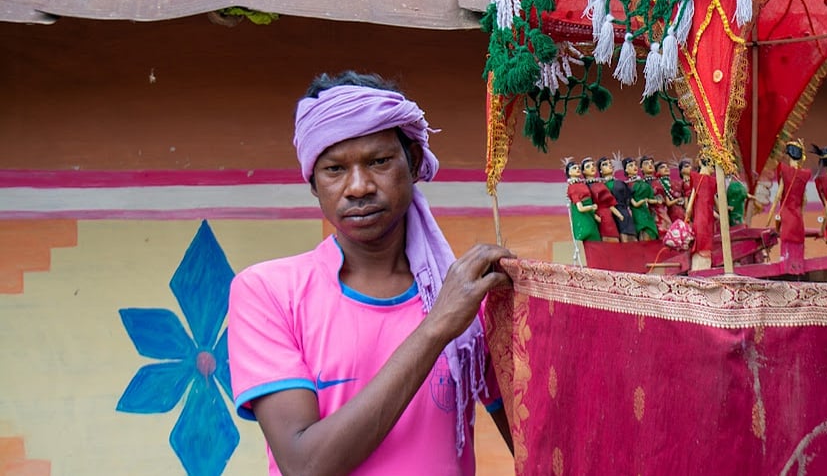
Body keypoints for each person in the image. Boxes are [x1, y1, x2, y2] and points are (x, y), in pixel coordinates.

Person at [228, 71, 514, 476]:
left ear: (413, 162)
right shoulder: (268, 293)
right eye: (334, 169)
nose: (358, 187)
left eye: (378, 161)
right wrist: (437, 327)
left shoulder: (468, 298)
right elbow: (305, 465)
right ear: (312, 181)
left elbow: (533, 442)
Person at [767, 139, 812, 252]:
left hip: (786, 214)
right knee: (798, 247)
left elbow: (778, 196)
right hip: (798, 217)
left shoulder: (785, 170)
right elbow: (804, 200)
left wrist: (769, 218)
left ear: (788, 155)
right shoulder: (805, 174)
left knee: (786, 247)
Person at [582, 157, 622, 242]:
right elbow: (587, 205)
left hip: (608, 216)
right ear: (583, 172)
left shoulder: (600, 184)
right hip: (599, 217)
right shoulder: (585, 187)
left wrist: (619, 214)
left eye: (593, 165)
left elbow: (609, 203)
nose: (592, 167)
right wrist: (596, 217)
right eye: (588, 166)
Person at [599, 156, 637, 242]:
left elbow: (629, 199)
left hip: (624, 213)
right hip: (610, 217)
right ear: (600, 170)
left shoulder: (620, 183)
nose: (609, 166)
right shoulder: (601, 186)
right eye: (605, 164)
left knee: (631, 238)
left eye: (610, 164)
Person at [565, 160, 602, 242]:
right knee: (589, 236)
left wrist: (594, 215)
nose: (577, 169)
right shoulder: (572, 187)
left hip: (590, 215)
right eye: (574, 168)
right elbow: (580, 208)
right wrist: (592, 207)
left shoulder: (582, 184)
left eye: (578, 167)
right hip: (583, 217)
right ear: (569, 172)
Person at [625, 157, 659, 241]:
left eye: (635, 165)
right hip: (636, 213)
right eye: (630, 165)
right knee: (643, 234)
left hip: (646, 211)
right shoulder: (626, 185)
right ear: (625, 170)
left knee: (651, 233)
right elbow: (629, 201)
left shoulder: (644, 183)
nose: (634, 167)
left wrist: (652, 200)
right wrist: (638, 203)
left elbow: (652, 198)